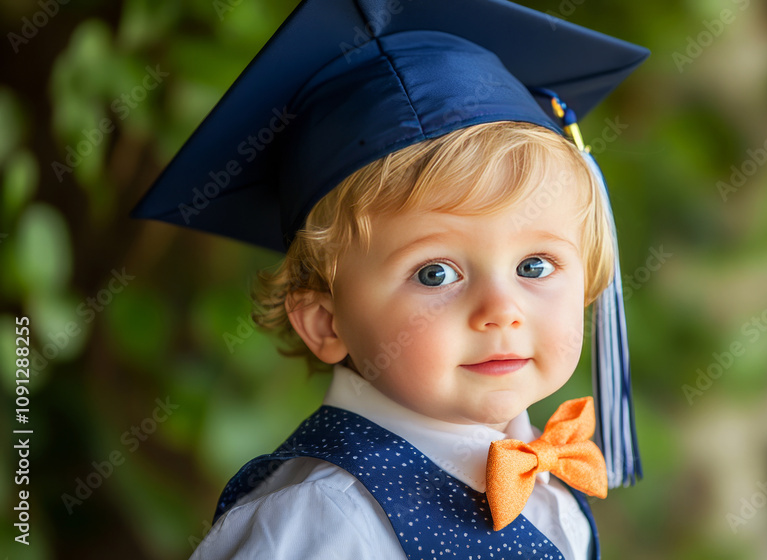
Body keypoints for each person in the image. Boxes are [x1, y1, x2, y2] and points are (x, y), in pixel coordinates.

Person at [130, 0, 648, 558]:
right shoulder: (319, 521)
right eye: (435, 273)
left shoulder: (547, 484)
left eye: (535, 266)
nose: (501, 308)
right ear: (327, 323)